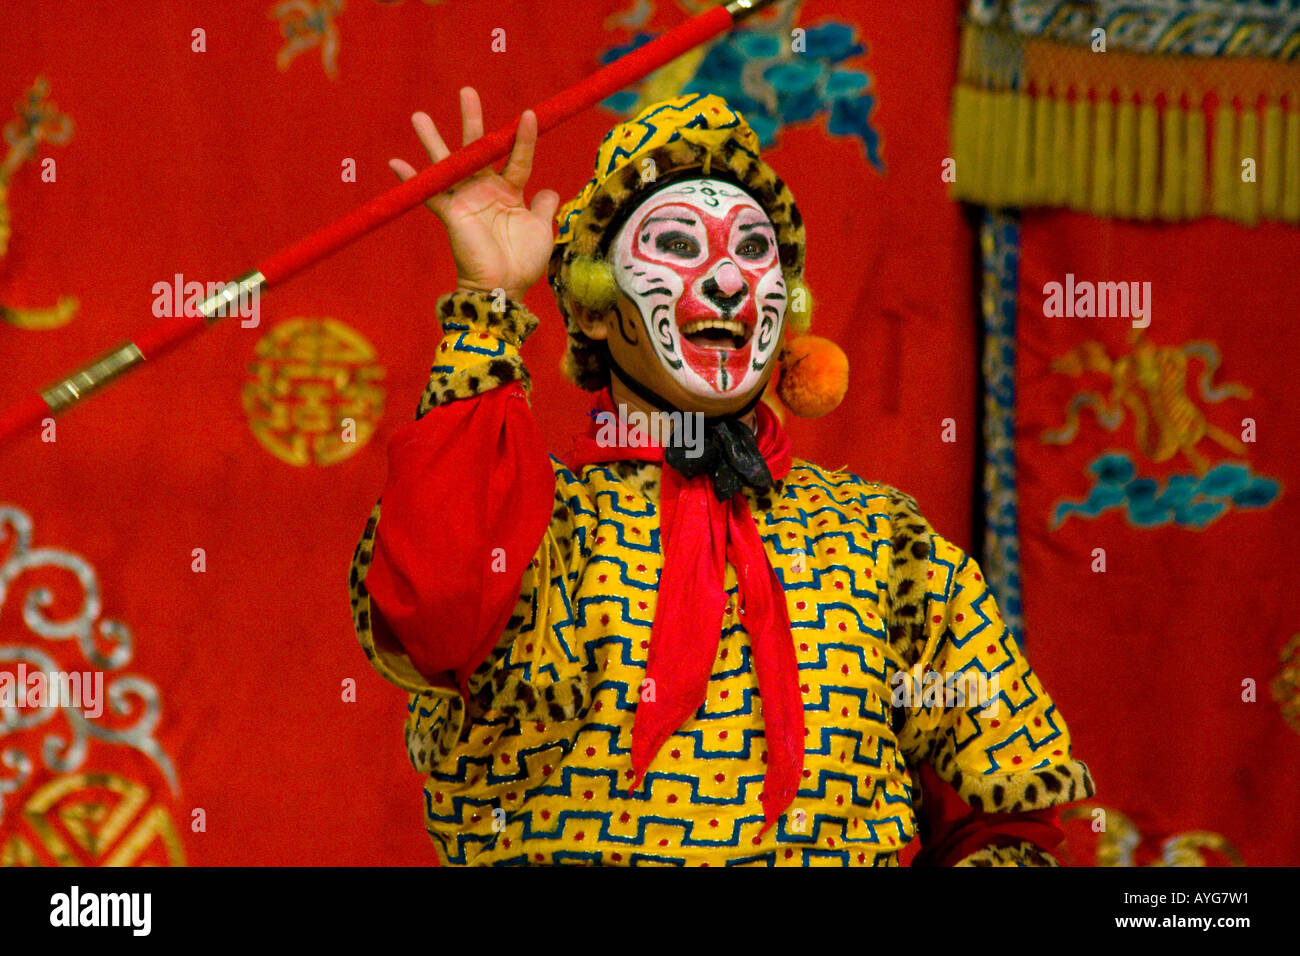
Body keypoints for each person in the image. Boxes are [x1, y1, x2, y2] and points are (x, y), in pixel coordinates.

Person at [347, 88, 1094, 866]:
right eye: (677, 244)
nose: (728, 282)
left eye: (752, 249)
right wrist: (489, 302)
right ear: (596, 309)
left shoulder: (884, 544)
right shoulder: (540, 532)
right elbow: (431, 608)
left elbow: (1010, 813)